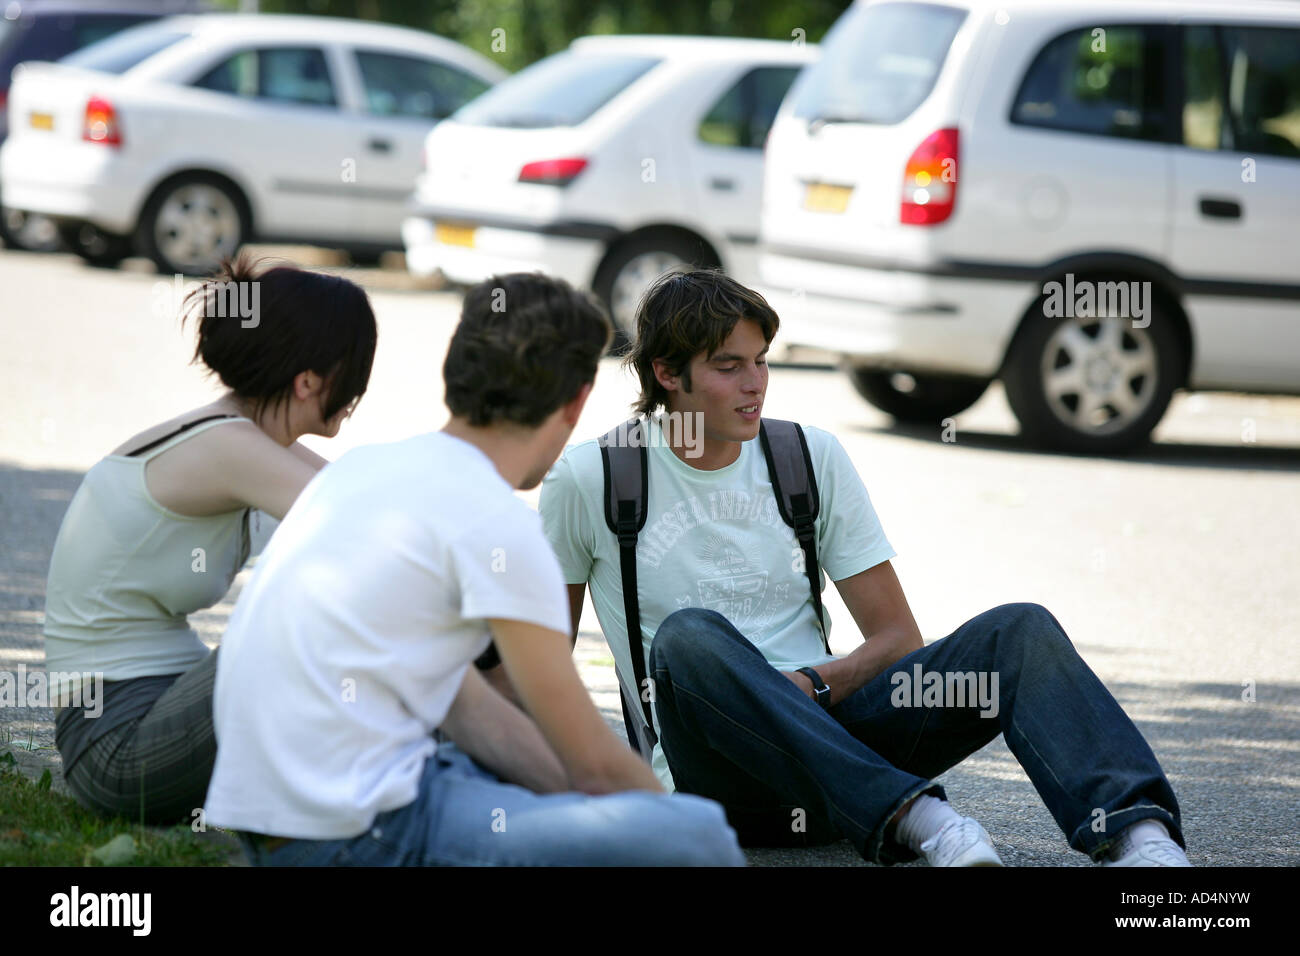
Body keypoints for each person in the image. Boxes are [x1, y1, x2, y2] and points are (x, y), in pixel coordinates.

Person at [533, 269, 1191, 867]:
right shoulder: (591, 477)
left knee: (1019, 631)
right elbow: (542, 660)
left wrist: (812, 687)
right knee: (688, 638)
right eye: (729, 366)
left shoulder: (805, 456)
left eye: (761, 362)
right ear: (668, 374)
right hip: (717, 781)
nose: (755, 382)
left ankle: (1140, 841)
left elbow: (897, 639)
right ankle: (924, 820)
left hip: (838, 752)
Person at [203, 272, 745, 867]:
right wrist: (654, 820)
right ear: (576, 401)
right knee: (701, 833)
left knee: (497, 778)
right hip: (363, 835)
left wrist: (580, 807)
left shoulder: (364, 469)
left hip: (273, 830)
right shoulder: (498, 525)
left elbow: (472, 711)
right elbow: (591, 761)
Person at [43, 254, 378, 824]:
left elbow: (375, 506)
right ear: (310, 380)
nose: (357, 389)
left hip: (166, 709)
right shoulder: (227, 447)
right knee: (315, 616)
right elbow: (371, 532)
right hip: (115, 742)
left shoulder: (243, 440)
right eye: (354, 369)